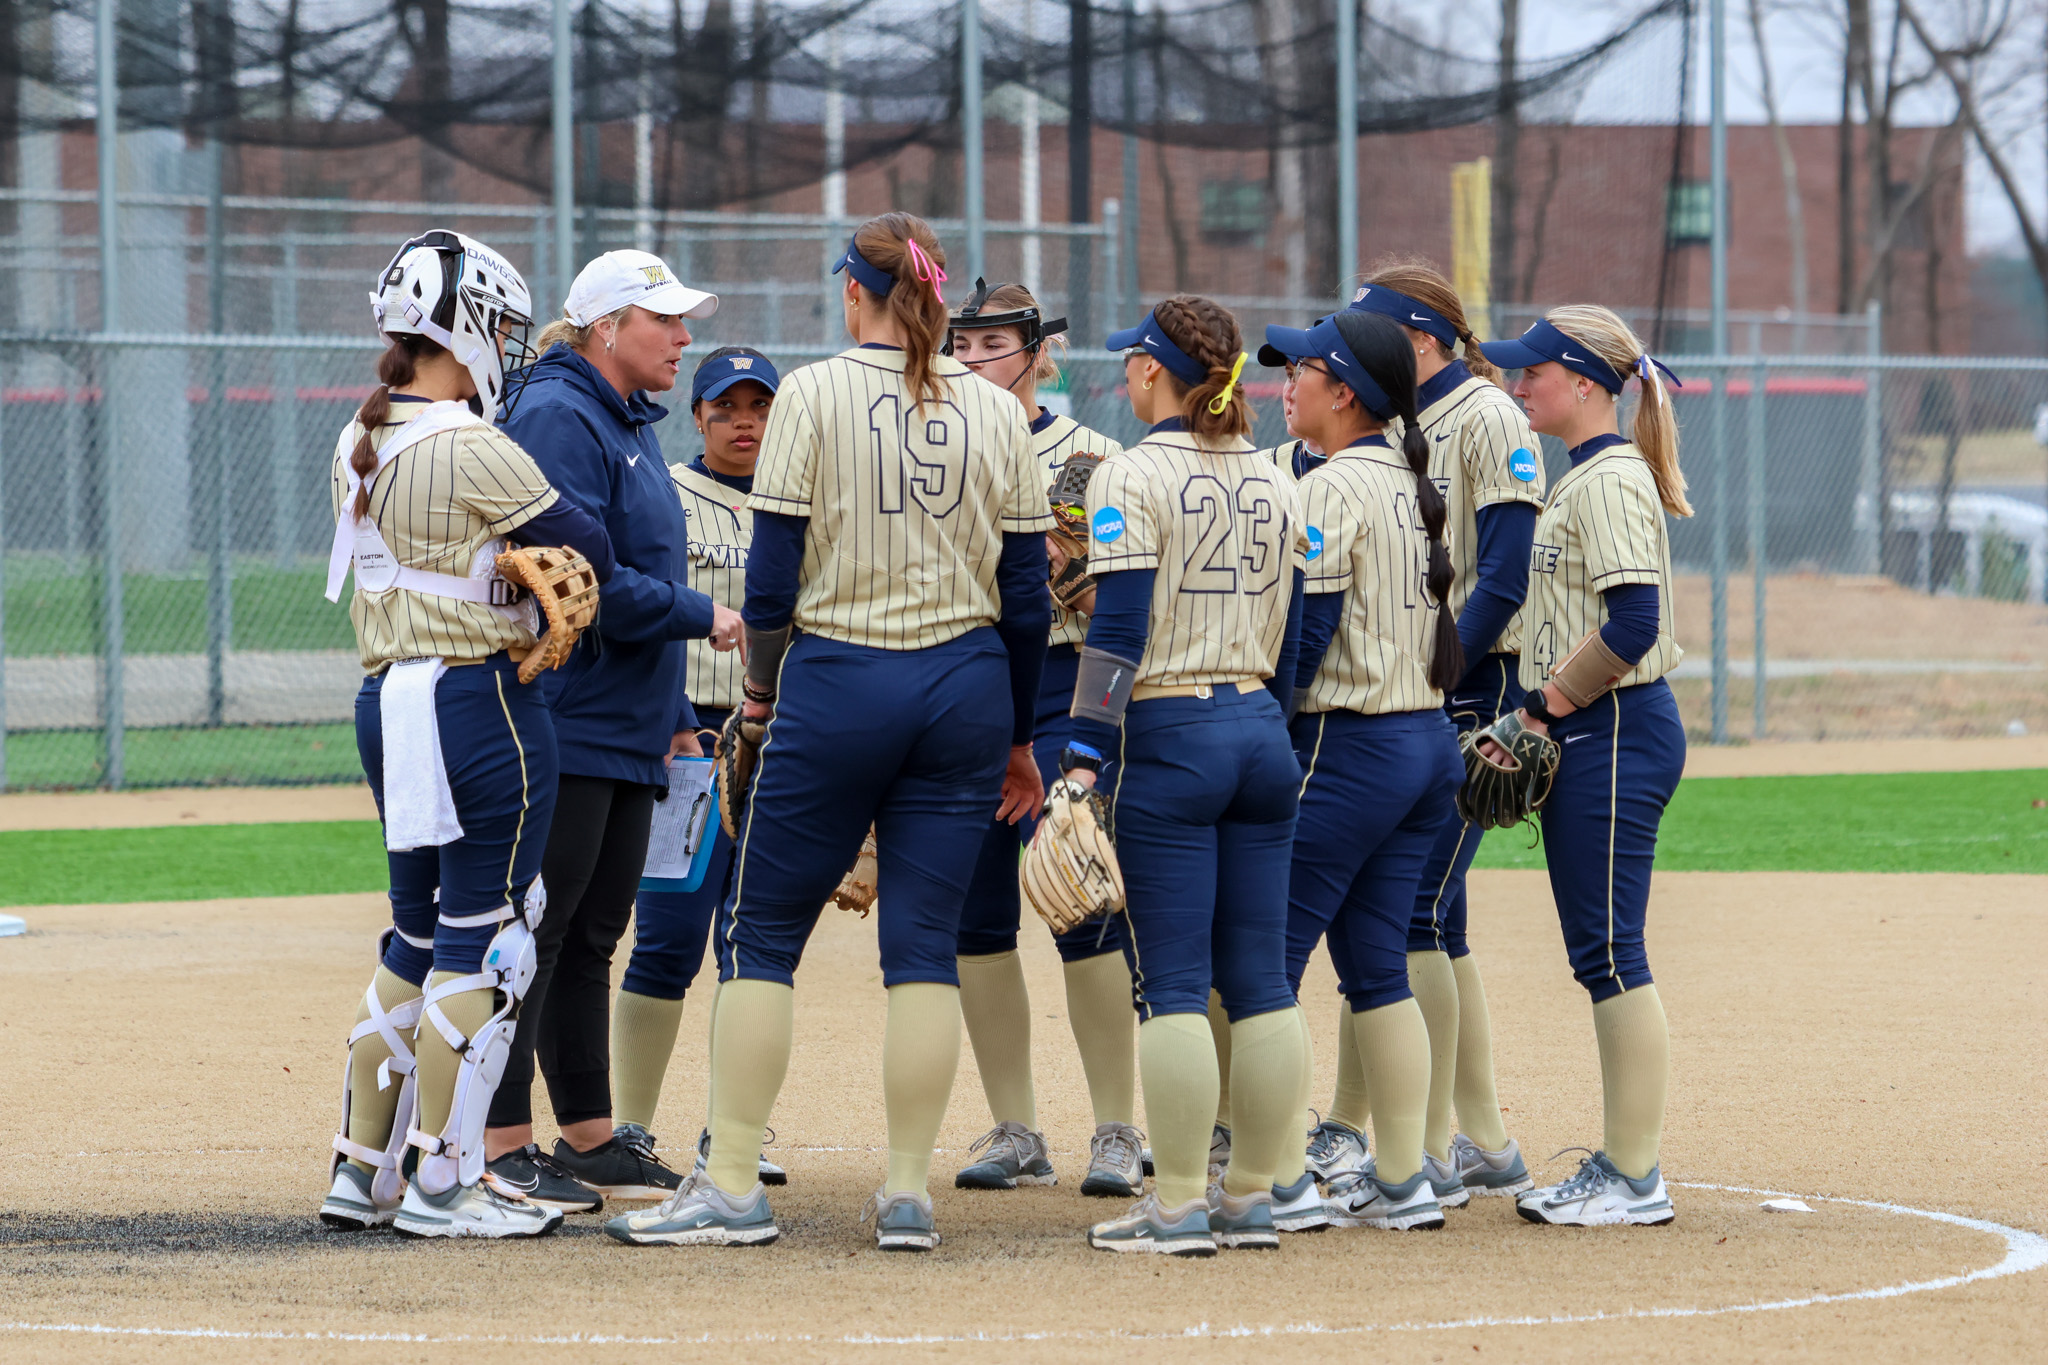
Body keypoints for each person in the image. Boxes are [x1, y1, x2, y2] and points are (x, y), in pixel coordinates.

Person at [604, 212, 1051, 1252]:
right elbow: (1025, 596)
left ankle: (728, 1184)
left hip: (842, 674)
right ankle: (904, 1192)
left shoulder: (808, 392)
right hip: (968, 683)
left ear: (854, 290)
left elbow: (770, 576)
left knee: (761, 939)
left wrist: (757, 694)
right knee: (923, 952)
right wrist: (1018, 734)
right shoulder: (992, 406)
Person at [318, 229, 616, 1238]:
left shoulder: (359, 438)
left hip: (386, 701)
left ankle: (362, 1171)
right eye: (495, 325)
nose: (505, 344)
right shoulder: (472, 442)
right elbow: (594, 544)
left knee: (414, 931)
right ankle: (448, 1179)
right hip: (475, 699)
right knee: (490, 937)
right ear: (461, 326)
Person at [480, 249, 743, 1211]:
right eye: (663, 320)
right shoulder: (559, 412)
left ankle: (588, 1133)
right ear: (605, 329)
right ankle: (502, 1141)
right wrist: (699, 612)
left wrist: (675, 718)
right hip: (570, 715)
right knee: (534, 936)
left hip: (629, 723)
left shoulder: (620, 419)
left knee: (595, 931)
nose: (682, 337)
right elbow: (577, 580)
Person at [1070, 295, 1308, 1257]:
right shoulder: (1278, 477)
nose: (1127, 372)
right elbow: (1292, 641)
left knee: (1173, 983)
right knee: (1261, 984)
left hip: (1171, 729)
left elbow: (1118, 631)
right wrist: (1270, 728)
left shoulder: (1130, 471)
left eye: (1135, 359)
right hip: (1259, 727)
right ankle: (1253, 1194)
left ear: (1153, 372)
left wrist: (1083, 754)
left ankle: (1174, 1204)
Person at [1316, 260, 1546, 1203]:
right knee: (1430, 916)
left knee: (1413, 913)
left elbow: (1505, 571)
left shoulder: (1487, 414)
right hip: (1420, 679)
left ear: (1419, 337)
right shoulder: (1401, 419)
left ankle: (1430, 1141)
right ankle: (1474, 1134)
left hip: (1463, 679)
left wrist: (1440, 669)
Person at [1477, 306, 1689, 1227]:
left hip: (1613, 725)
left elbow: (1634, 624)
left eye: (1535, 372)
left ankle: (1634, 1175)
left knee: (1610, 948)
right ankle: (1625, 1166)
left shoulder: (1607, 481)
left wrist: (1541, 707)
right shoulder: (1591, 473)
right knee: (1599, 947)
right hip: (1601, 726)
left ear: (1589, 385)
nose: (1521, 384)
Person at [1256, 310, 1466, 1233]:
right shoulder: (1408, 479)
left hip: (1353, 746)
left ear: (1345, 392)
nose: (1285, 384)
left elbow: (1308, 631)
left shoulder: (1332, 487)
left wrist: (1264, 722)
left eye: (1301, 369)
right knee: (1379, 966)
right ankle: (1405, 1175)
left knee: (1265, 962)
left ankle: (1273, 1178)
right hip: (1424, 747)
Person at [944, 280, 1144, 1198]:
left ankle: (1117, 1128)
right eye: (964, 343)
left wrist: (1071, 576)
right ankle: (1016, 1127)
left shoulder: (1095, 457)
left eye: (995, 343)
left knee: (1081, 899)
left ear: (1037, 351)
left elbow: (1133, 602)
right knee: (977, 919)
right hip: (965, 687)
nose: (976, 357)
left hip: (1063, 688)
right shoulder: (931, 444)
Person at [610, 345, 790, 1188]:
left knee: (751, 942)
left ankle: (733, 1131)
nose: (744, 421)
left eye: (759, 406)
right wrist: (670, 720)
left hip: (786, 741)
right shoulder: (669, 496)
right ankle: (631, 1127)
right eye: (727, 407)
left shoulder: (804, 502)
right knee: (669, 937)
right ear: (700, 416)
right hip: (689, 738)